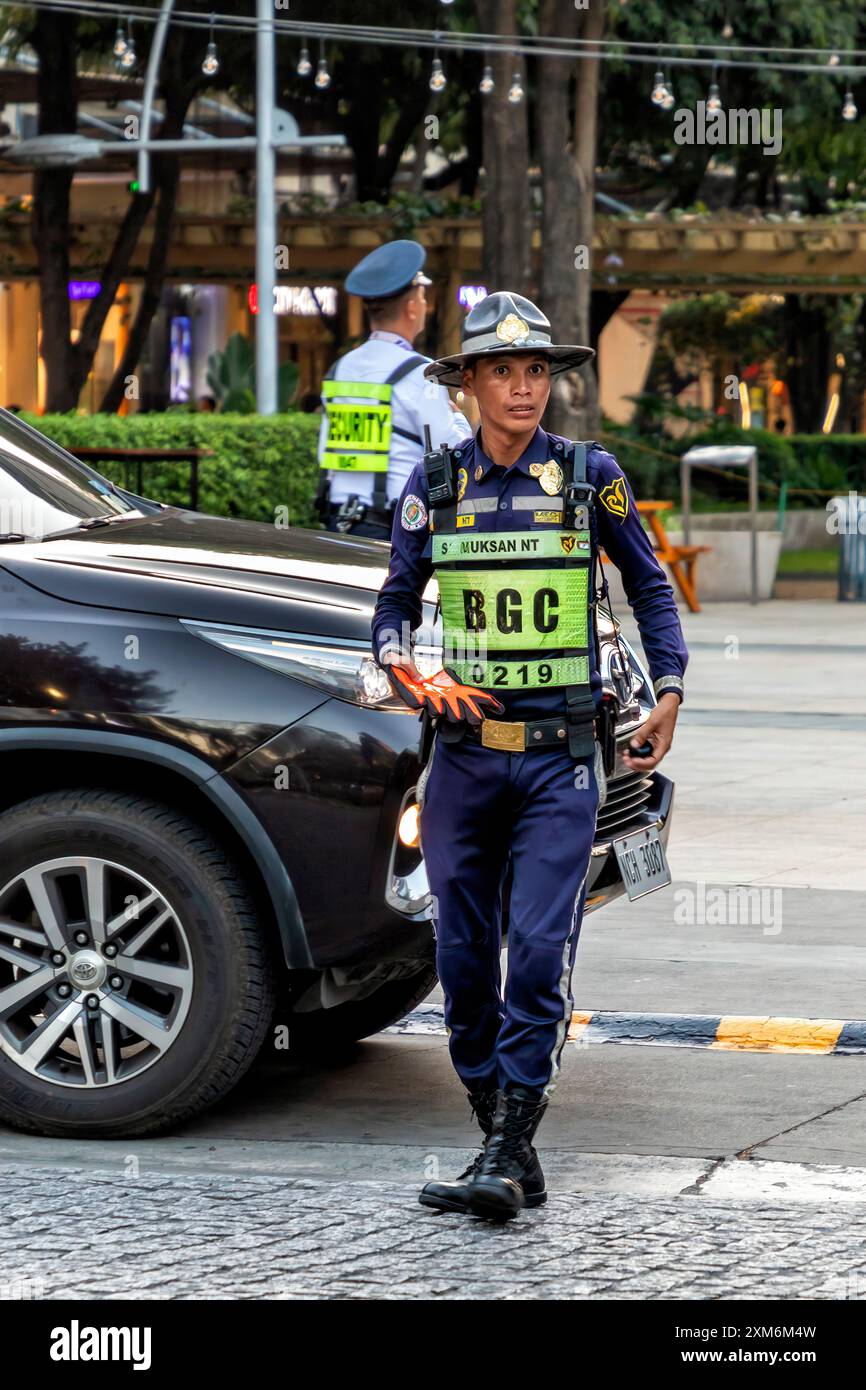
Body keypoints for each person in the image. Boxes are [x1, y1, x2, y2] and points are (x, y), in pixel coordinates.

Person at [372, 291, 688, 1222]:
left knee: (540, 951)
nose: (523, 388)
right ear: (465, 385)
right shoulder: (434, 488)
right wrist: (405, 674)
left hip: (563, 763)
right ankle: (501, 1135)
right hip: (464, 762)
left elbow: (653, 590)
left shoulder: (591, 478)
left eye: (537, 371)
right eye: (502, 371)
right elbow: (392, 605)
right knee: (463, 960)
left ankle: (507, 1149)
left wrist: (668, 692)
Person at [316, 239, 470, 539]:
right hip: (395, 529)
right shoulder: (421, 373)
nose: (426, 306)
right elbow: (450, 452)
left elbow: (326, 451)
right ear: (412, 307)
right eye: (424, 298)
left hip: (337, 520)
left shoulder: (340, 369)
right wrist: (460, 418)